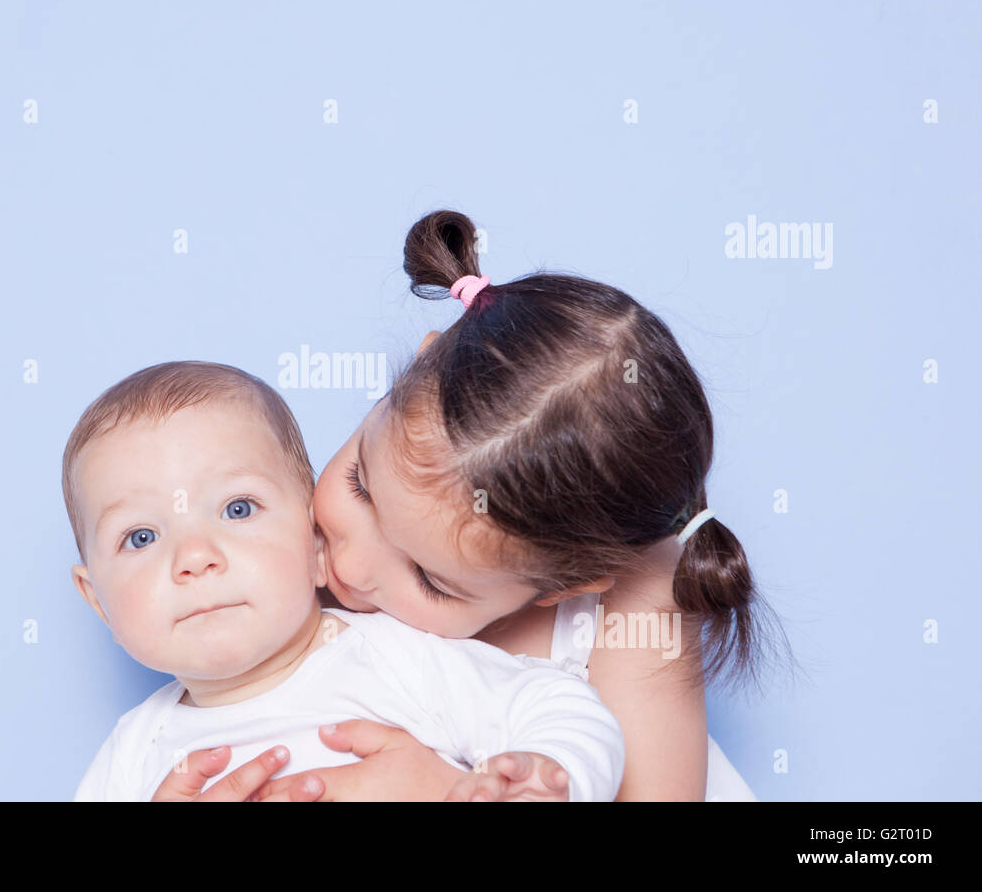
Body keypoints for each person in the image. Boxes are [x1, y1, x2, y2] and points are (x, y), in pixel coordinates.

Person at [158, 210, 785, 801]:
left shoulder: (637, 609)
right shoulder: (279, 548)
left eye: (430, 580)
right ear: (424, 354)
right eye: (360, 487)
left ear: (568, 584)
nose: (351, 567)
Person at [63, 361, 625, 801]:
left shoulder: (390, 658)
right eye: (140, 537)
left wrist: (550, 777)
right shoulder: (135, 755)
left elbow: (555, 703)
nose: (195, 556)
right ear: (98, 601)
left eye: (237, 509)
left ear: (313, 543)